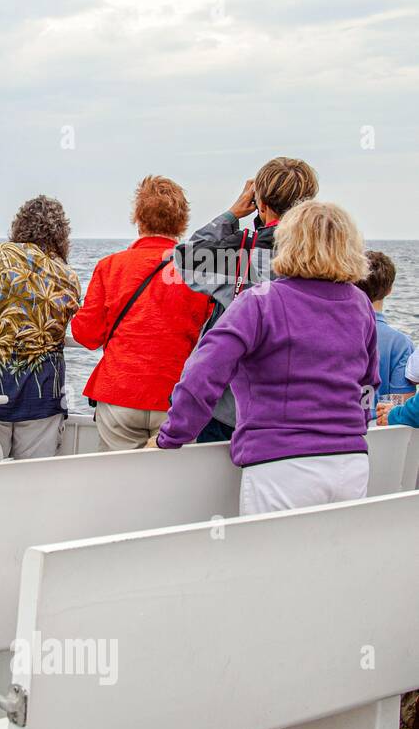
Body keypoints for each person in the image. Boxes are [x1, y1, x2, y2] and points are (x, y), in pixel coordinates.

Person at [155, 202, 377, 515]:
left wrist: (172, 436)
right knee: (331, 561)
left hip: (281, 465)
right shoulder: (360, 303)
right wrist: (355, 428)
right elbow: (368, 383)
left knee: (268, 561)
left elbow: (204, 371)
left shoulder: (261, 300)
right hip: (351, 462)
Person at [172, 157, 320, 442]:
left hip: (228, 406)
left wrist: (231, 214)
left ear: (261, 204)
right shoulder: (326, 263)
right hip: (293, 409)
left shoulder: (241, 255)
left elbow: (185, 258)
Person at [71, 176, 212, 450]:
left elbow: (86, 336)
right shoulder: (199, 272)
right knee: (172, 484)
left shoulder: (109, 267)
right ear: (182, 222)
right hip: (176, 396)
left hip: (119, 393)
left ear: (138, 218)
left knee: (118, 483)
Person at [0, 195, 80, 458]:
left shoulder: (2, 256)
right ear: (61, 234)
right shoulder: (69, 275)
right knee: (35, 482)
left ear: (20, 225)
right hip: (43, 389)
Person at [355, 250, 414, 401]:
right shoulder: (400, 343)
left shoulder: (334, 333)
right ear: (389, 290)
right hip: (381, 422)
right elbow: (402, 401)